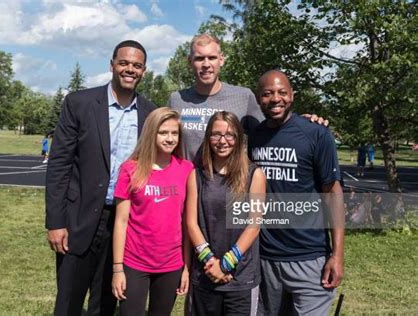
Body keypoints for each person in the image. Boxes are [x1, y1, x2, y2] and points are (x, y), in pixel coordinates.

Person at [45, 40, 157, 315]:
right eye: (124, 63)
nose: (130, 69)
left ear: (143, 71)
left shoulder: (150, 112)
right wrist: (56, 222)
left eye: (137, 65)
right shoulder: (79, 103)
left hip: (123, 223)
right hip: (79, 219)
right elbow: (59, 164)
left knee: (106, 303)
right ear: (112, 65)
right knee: (69, 302)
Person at [248, 70, 344, 315]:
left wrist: (337, 254)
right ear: (258, 99)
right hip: (266, 258)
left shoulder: (316, 133)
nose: (275, 99)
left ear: (292, 95)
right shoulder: (255, 137)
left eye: (282, 92)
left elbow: (332, 193)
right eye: (267, 93)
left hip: (309, 257)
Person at [168, 34, 327, 162]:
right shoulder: (177, 99)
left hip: (228, 189)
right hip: (186, 189)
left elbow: (272, 130)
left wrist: (304, 123)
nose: (206, 64)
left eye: (212, 58)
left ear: (221, 60)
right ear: (190, 62)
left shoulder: (243, 96)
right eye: (199, 58)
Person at [111, 107, 193, 315]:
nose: (170, 138)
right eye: (163, 132)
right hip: (134, 263)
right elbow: (121, 222)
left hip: (171, 264)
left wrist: (186, 268)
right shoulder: (130, 169)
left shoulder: (186, 169)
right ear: (151, 133)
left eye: (174, 133)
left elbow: (187, 223)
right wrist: (117, 268)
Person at [186, 111, 266, 315]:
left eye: (230, 135)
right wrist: (211, 261)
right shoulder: (196, 175)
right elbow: (191, 223)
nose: (222, 141)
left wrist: (226, 263)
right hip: (205, 275)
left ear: (239, 138)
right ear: (208, 138)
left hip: (241, 278)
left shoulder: (254, 174)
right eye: (216, 134)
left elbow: (254, 225)